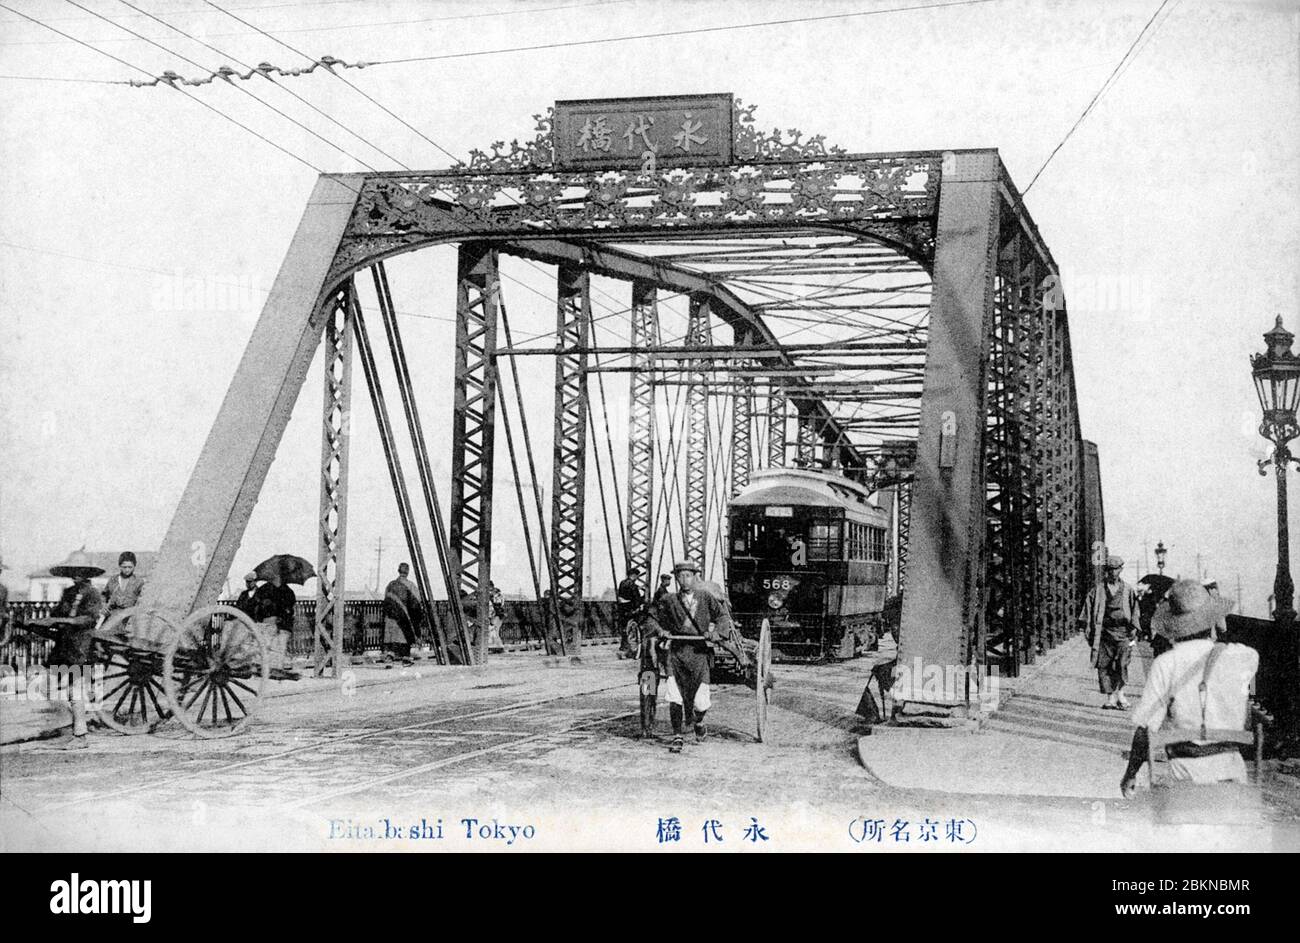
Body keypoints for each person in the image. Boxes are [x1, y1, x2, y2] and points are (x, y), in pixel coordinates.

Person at [1120, 579, 1258, 796]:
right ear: (1211, 619)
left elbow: (1145, 730)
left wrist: (1130, 775)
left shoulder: (1166, 664)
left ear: (1174, 624)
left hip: (1185, 775)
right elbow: (1226, 634)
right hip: (1233, 774)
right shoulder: (1246, 657)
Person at [641, 560, 734, 754]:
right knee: (675, 697)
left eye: (688, 575)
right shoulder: (668, 600)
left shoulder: (705, 597)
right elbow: (651, 618)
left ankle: (698, 722)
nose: (685, 580)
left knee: (701, 702)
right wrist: (661, 630)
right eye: (681, 576)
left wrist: (717, 633)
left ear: (694, 577)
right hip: (676, 654)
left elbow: (722, 617)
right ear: (676, 578)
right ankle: (677, 736)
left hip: (699, 654)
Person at [43, 551, 105, 750]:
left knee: (74, 689)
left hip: (81, 647)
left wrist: (62, 620)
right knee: (47, 688)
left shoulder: (93, 594)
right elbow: (57, 614)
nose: (75, 574)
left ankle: (80, 735)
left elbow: (89, 619)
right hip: (64, 646)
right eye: (72, 571)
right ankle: (74, 726)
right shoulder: (68, 593)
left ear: (87, 572)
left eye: (80, 571)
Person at [1078, 555, 1141, 710]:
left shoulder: (1127, 590)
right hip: (1104, 632)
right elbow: (1087, 609)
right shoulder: (1098, 590)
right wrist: (1087, 628)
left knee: (1122, 663)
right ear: (1107, 571)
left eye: (1116, 569)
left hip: (1123, 632)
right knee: (1104, 665)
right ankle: (1110, 697)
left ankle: (1121, 693)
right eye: (1111, 570)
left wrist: (1134, 627)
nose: (1113, 573)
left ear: (1121, 569)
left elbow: (1135, 610)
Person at [253, 568, 298, 671]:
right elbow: (290, 609)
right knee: (277, 648)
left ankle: (267, 668)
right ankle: (275, 669)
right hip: (276, 623)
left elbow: (257, 605)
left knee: (267, 646)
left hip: (273, 623)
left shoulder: (265, 589)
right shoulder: (288, 591)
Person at [382, 563, 422, 666]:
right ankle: (406, 659)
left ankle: (389, 658)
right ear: (408, 572)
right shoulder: (411, 586)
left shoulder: (390, 585)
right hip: (404, 617)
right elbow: (416, 603)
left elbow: (386, 601)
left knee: (391, 639)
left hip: (391, 618)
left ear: (398, 570)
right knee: (405, 637)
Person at [102, 551, 145, 618]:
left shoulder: (139, 582)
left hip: (130, 617)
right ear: (120, 566)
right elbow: (104, 595)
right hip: (112, 616)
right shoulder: (113, 580)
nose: (127, 570)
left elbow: (142, 602)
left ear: (134, 566)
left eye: (130, 567)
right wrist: (104, 606)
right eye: (124, 567)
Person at [615, 565, 645, 659]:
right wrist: (640, 604)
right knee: (634, 631)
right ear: (634, 575)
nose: (637, 578)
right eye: (637, 576)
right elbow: (636, 599)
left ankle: (623, 650)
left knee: (624, 631)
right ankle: (633, 651)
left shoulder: (622, 583)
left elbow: (620, 597)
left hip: (622, 611)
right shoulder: (632, 585)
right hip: (631, 611)